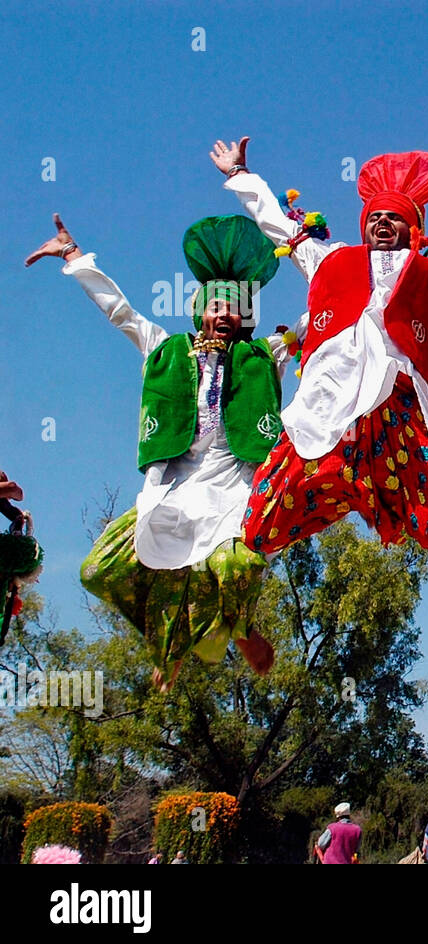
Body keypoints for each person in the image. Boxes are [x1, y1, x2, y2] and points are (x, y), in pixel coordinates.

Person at [209, 95, 428, 556]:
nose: (382, 223)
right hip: (326, 406)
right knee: (259, 527)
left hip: (394, 408)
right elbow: (278, 227)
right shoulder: (332, 261)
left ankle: (372, 492)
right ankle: (341, 490)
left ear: (412, 228)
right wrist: (241, 176)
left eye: (394, 217)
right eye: (375, 217)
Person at [26, 214, 288, 690]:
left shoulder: (265, 356)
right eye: (216, 307)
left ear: (245, 317)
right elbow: (120, 312)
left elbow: (327, 320)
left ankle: (242, 628)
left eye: (234, 308)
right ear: (200, 312)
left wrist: (343, 256)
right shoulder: (166, 350)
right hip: (174, 488)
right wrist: (73, 256)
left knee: (238, 565)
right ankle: (169, 643)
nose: (224, 315)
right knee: (97, 570)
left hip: (232, 490)